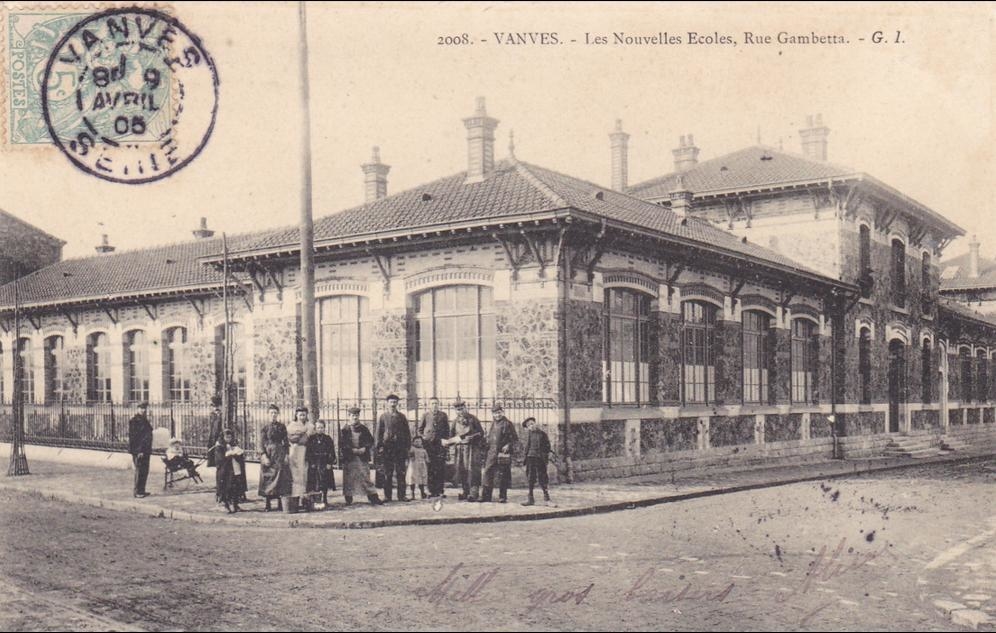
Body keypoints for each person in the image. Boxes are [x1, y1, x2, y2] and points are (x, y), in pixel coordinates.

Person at [338, 407, 383, 506]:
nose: (355, 417)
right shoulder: (345, 429)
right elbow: (342, 443)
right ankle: (348, 498)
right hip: (350, 457)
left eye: (356, 415)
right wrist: (351, 450)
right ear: (349, 416)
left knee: (365, 476)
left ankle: (373, 497)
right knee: (349, 478)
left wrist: (365, 448)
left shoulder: (363, 428)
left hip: (362, 457)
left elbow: (370, 441)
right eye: (353, 415)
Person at [443, 399, 484, 502]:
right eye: (458, 410)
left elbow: (481, 433)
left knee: (473, 470)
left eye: (462, 409)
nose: (460, 411)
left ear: (465, 408)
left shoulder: (473, 419)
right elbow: (451, 436)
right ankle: (465, 492)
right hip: (460, 449)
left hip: (472, 449)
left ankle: (473, 493)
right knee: (462, 470)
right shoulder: (455, 422)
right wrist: (449, 442)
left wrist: (473, 437)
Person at [374, 394, 412, 502]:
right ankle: (387, 496)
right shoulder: (383, 417)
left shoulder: (402, 417)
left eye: (395, 402)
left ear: (397, 404)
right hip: (387, 448)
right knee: (388, 473)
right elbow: (378, 433)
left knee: (401, 472)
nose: (393, 404)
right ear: (387, 403)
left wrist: (407, 447)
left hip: (400, 449)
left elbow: (407, 433)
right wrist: (379, 447)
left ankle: (402, 495)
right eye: (391, 402)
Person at [258, 404, 292, 512]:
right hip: (268, 453)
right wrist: (263, 456)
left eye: (275, 413)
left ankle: (280, 503)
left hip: (279, 454)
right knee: (268, 477)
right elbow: (261, 443)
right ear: (268, 414)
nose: (273, 415)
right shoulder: (264, 428)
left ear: (278, 414)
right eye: (271, 413)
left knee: (280, 477)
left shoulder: (282, 427)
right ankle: (268, 503)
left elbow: (286, 442)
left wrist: (286, 455)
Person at [481, 403, 518, 503]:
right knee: (488, 473)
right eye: (495, 413)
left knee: (503, 475)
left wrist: (508, 445)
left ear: (502, 412)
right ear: (493, 414)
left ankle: (502, 497)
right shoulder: (492, 424)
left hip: (502, 453)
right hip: (492, 452)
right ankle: (486, 496)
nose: (497, 415)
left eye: (499, 412)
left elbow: (514, 438)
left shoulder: (508, 424)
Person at [418, 396, 451, 497]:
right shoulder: (425, 415)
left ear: (439, 404)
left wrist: (446, 443)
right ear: (429, 405)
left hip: (440, 445)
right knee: (430, 467)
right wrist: (424, 438)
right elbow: (420, 430)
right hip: (429, 445)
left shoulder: (443, 415)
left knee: (440, 467)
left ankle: (440, 491)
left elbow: (447, 430)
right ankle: (431, 491)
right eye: (432, 403)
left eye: (436, 403)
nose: (434, 405)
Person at [520, 417, 555, 507]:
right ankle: (530, 499)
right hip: (530, 458)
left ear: (535, 423)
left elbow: (547, 447)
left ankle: (547, 499)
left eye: (532, 423)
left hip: (540, 458)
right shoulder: (528, 435)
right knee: (530, 478)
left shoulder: (542, 434)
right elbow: (526, 447)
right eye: (529, 425)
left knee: (542, 478)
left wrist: (545, 456)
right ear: (527, 428)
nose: (531, 426)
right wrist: (524, 459)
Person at [286, 406, 315, 510]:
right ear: (296, 415)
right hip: (294, 450)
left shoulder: (310, 426)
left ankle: (303, 497)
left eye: (304, 414)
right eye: (300, 414)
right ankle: (295, 498)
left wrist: (299, 437)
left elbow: (305, 439)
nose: (302, 416)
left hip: (305, 450)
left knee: (304, 473)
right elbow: (289, 437)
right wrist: (296, 437)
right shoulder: (291, 425)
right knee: (295, 473)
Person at [213, 429, 246, 513]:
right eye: (226, 437)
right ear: (223, 437)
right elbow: (219, 459)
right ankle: (225, 504)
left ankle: (235, 504)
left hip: (235, 469)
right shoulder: (219, 446)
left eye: (230, 437)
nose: (228, 439)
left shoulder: (234, 445)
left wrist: (238, 454)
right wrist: (228, 455)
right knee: (226, 487)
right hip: (225, 471)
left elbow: (240, 456)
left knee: (235, 487)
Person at [306, 420, 336, 508]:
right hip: (315, 463)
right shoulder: (311, 439)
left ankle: (325, 499)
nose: (320, 429)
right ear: (315, 428)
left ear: (324, 428)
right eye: (318, 427)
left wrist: (330, 462)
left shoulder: (328, 439)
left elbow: (331, 452)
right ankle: (315, 500)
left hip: (324, 462)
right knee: (315, 482)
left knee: (325, 481)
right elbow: (309, 452)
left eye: (322, 427)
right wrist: (311, 462)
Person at [128, 401, 153, 498]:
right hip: (139, 450)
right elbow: (134, 437)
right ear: (137, 409)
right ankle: (137, 491)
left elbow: (148, 435)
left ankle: (142, 490)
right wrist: (139, 451)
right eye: (141, 408)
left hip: (146, 450)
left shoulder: (144, 420)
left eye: (145, 408)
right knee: (139, 470)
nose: (143, 410)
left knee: (144, 470)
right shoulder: (134, 421)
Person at [407, 436, 429, 500]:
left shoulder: (423, 450)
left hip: (421, 466)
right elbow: (409, 455)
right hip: (414, 465)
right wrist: (411, 456)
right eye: (416, 441)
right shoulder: (412, 449)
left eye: (419, 441)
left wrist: (427, 460)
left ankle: (422, 493)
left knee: (421, 479)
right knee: (412, 478)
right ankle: (412, 494)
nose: (418, 443)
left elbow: (427, 458)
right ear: (413, 442)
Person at [205, 395, 224, 468]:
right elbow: (212, 426)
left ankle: (218, 463)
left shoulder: (221, 414)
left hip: (219, 434)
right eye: (213, 406)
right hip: (213, 433)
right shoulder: (212, 414)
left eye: (215, 405)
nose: (214, 408)